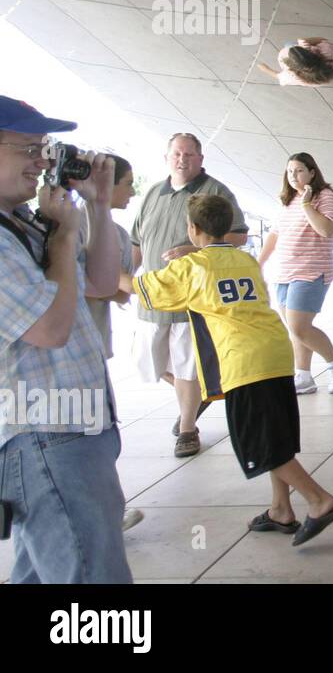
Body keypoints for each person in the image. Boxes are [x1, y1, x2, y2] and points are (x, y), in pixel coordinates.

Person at [132, 195, 333, 546]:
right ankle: (281, 510)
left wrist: (106, 272)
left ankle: (319, 501)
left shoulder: (191, 267)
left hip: (245, 364)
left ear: (193, 229)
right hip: (277, 353)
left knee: (260, 447)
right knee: (277, 437)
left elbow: (145, 290)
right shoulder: (245, 259)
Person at [0, 97, 132, 582]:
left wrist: (96, 205)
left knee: (43, 573)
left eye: (44, 148)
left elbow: (100, 284)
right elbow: (50, 330)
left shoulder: (22, 225)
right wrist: (61, 238)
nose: (41, 161)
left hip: (75, 429)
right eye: (27, 149)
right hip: (47, 435)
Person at [132, 132, 249, 458]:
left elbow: (238, 236)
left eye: (189, 154)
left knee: (186, 365)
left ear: (200, 158)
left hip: (192, 301)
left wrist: (194, 248)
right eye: (176, 154)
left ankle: (187, 427)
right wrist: (125, 277)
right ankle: (196, 399)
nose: (182, 159)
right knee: (151, 364)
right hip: (154, 298)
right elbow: (137, 243)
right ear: (167, 157)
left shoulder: (215, 192)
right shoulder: (154, 192)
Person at [260, 153, 333, 397]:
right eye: (289, 171)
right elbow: (275, 234)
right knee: (295, 328)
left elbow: (327, 230)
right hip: (285, 272)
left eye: (299, 171)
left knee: (300, 327)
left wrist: (307, 204)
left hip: (311, 271)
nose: (293, 176)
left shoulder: (324, 196)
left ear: (312, 172)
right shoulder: (289, 200)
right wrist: (259, 263)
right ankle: (304, 376)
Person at [82, 154, 134, 363]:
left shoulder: (121, 235)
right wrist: (110, 279)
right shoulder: (69, 226)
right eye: (128, 183)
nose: (133, 191)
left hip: (97, 345)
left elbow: (124, 293)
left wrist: (90, 279)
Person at [258, 37, 333, 85]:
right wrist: (305, 42)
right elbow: (321, 39)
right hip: (332, 68)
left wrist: (265, 69)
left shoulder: (293, 76)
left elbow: (278, 76)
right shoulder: (328, 50)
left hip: (321, 77)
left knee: (288, 43)